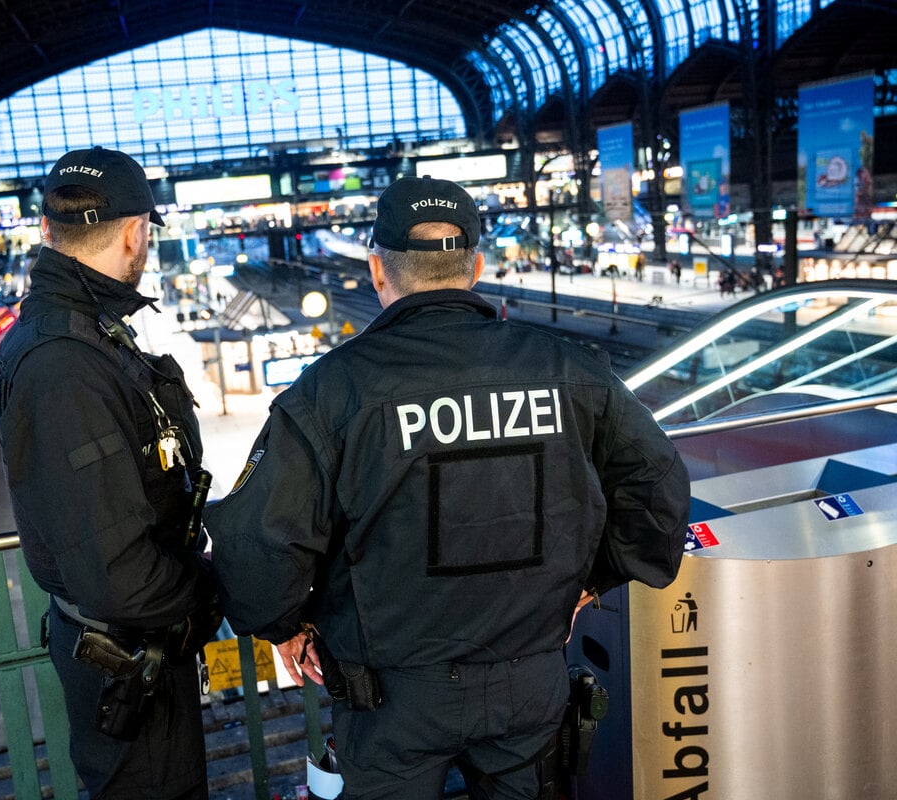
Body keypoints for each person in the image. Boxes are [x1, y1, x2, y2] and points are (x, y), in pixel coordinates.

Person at [206, 176, 691, 800]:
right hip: (531, 680)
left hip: (389, 700)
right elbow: (657, 489)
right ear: (478, 266)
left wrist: (286, 628)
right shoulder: (571, 370)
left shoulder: (330, 392)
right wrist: (593, 583)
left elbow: (253, 543)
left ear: (378, 270)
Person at [0, 146, 220, 799]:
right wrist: (213, 590)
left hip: (136, 647)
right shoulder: (66, 363)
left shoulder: (80, 335)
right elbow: (118, 574)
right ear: (135, 231)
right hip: (129, 656)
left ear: (47, 230)